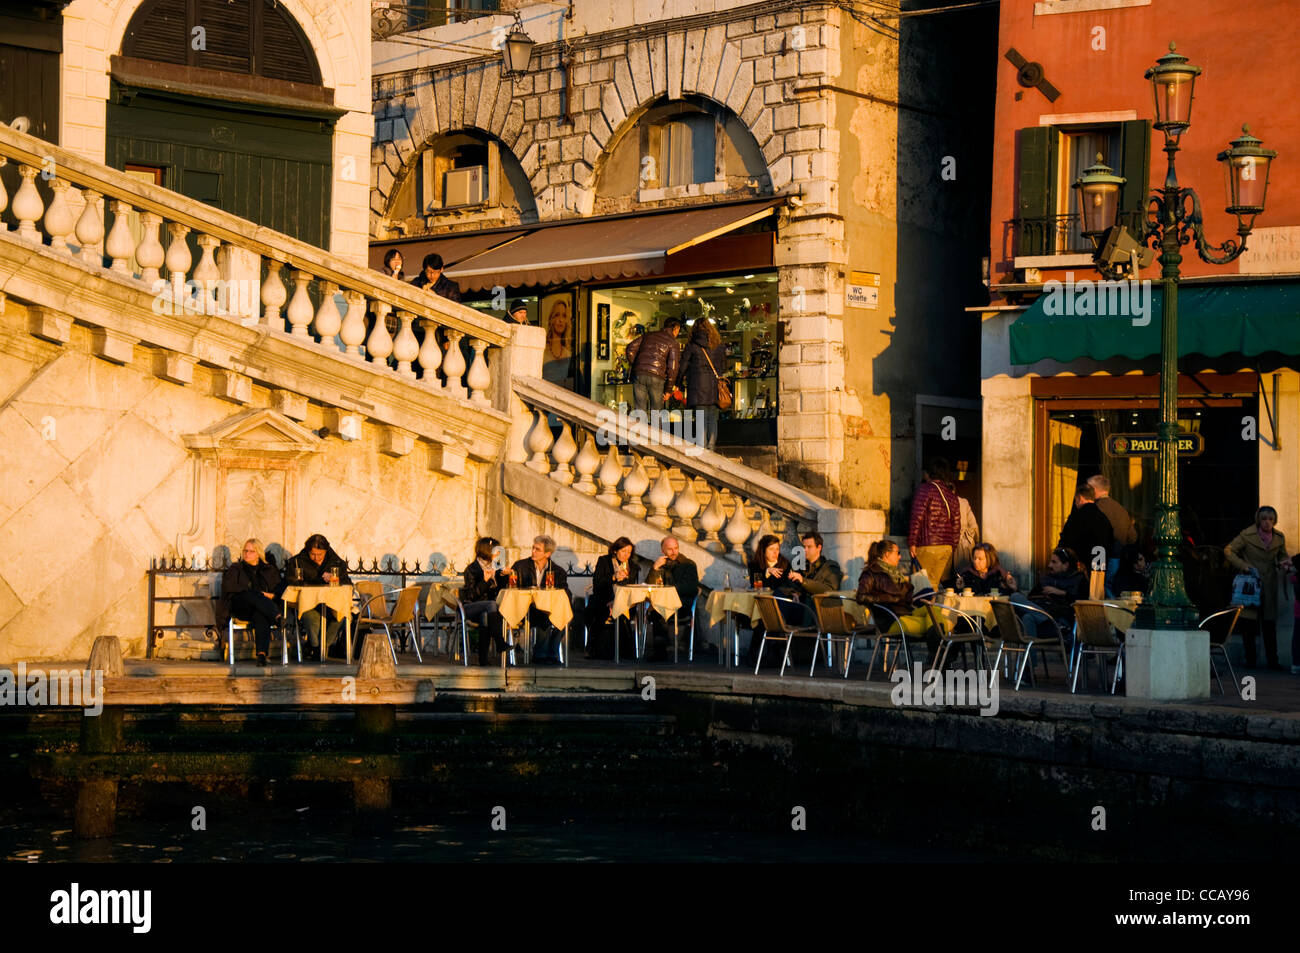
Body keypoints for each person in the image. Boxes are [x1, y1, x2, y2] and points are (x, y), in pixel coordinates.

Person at [1225, 506, 1292, 670]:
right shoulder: (1247, 535)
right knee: (1248, 624)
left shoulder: (1279, 537)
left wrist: (1285, 564)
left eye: (1270, 519)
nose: (1267, 523)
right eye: (1264, 519)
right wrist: (1243, 565)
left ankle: (1272, 661)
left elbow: (1282, 555)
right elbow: (1229, 550)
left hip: (1269, 585)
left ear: (1274, 521)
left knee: (1269, 625)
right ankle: (1250, 660)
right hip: (1250, 584)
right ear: (1258, 520)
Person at [855, 539, 937, 657]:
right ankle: (940, 657)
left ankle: (938, 656)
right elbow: (861, 597)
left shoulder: (895, 574)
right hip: (892, 620)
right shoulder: (871, 573)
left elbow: (902, 597)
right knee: (937, 627)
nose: (900, 556)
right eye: (897, 553)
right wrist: (888, 598)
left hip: (906, 613)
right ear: (887, 554)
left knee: (934, 611)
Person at [283, 533, 351, 661]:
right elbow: (290, 580)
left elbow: (347, 582)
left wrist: (335, 578)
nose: (316, 558)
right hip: (309, 603)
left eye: (320, 554)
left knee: (340, 616)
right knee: (311, 617)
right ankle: (316, 646)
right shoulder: (297, 562)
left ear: (326, 551)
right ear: (308, 551)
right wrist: (302, 581)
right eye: (313, 554)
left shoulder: (336, 562)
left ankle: (319, 650)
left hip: (331, 603)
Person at [220, 538, 283, 666]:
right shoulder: (236, 568)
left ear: (258, 553)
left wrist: (272, 595)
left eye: (251, 551)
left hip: (262, 608)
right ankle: (277, 617)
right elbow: (228, 587)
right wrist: (255, 593)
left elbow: (279, 590)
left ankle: (261, 655)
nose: (247, 554)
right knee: (252, 593)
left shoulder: (268, 570)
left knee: (260, 614)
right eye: (245, 551)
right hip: (241, 606)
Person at [508, 535, 570, 665]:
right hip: (526, 609)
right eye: (533, 548)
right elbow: (510, 587)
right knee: (544, 615)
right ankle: (541, 654)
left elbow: (566, 592)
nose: (533, 552)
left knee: (564, 615)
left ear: (547, 553)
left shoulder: (558, 572)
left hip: (549, 608)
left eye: (537, 549)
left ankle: (551, 653)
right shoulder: (520, 566)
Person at [584, 536, 645, 660]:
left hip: (625, 601)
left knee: (622, 611)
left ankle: (624, 652)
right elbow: (597, 583)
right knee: (601, 611)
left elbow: (631, 588)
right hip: (603, 598)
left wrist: (617, 601)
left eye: (629, 552)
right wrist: (613, 577)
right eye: (623, 551)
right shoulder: (604, 561)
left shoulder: (632, 567)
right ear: (615, 550)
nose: (626, 555)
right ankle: (595, 650)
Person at [907, 458, 961, 587]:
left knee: (919, 586)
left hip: (927, 544)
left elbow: (917, 517)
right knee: (933, 586)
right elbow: (957, 524)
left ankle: (920, 607)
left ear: (928, 473)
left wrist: (912, 542)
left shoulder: (925, 489)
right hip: (946, 547)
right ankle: (932, 607)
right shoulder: (951, 494)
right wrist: (952, 545)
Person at [645, 535, 700, 660]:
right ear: (662, 550)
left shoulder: (688, 564)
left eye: (676, 548)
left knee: (658, 612)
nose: (674, 552)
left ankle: (660, 652)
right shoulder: (660, 564)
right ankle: (660, 651)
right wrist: (655, 568)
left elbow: (691, 587)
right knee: (657, 611)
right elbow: (648, 586)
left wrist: (669, 589)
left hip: (681, 605)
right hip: (661, 605)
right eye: (670, 549)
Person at [676, 317, 727, 451]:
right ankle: (711, 446)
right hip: (715, 386)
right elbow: (723, 367)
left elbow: (683, 366)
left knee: (700, 418)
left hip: (697, 386)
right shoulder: (719, 346)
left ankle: (701, 446)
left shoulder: (692, 346)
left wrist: (678, 382)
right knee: (712, 418)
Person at [460, 536, 512, 666]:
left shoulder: (496, 567)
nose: (499, 553)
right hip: (469, 607)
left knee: (486, 615)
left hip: (489, 611)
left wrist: (505, 577)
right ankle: (499, 641)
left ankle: (483, 659)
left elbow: (501, 591)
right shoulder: (472, 569)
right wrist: (484, 581)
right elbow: (471, 596)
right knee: (490, 605)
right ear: (487, 551)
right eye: (497, 551)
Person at [1020, 546, 1086, 641]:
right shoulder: (1046, 578)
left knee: (1028, 617)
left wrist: (1061, 593)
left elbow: (1082, 602)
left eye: (1054, 562)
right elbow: (1029, 599)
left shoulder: (1078, 579)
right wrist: (1015, 589)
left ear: (1066, 565)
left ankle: (1049, 619)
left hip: (1063, 623)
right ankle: (1045, 617)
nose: (1049, 565)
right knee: (1017, 600)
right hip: (1045, 621)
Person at [1088, 474, 1137, 595]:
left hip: (1099, 555)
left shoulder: (1095, 508)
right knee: (1109, 587)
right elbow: (1133, 537)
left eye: (1088, 488)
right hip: (1117, 557)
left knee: (1100, 589)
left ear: (1094, 489)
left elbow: (1089, 534)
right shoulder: (1121, 509)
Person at [1057, 482, 1114, 580]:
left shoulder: (1076, 518)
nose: (1075, 503)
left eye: (1075, 500)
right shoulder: (1104, 519)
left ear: (1080, 498)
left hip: (1079, 568)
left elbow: (1066, 542)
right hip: (1100, 567)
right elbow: (1110, 541)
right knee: (1096, 593)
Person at [625, 317, 682, 413]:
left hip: (639, 375)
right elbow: (673, 368)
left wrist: (637, 365)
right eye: (678, 331)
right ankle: (655, 428)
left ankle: (640, 428)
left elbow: (630, 348)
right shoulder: (673, 343)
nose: (677, 334)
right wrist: (668, 390)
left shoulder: (648, 335)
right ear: (675, 329)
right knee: (656, 413)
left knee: (640, 410)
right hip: (657, 377)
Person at [542, 298, 573, 386]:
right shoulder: (543, 350)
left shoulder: (568, 354)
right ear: (552, 319)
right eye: (557, 315)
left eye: (564, 316)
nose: (560, 320)